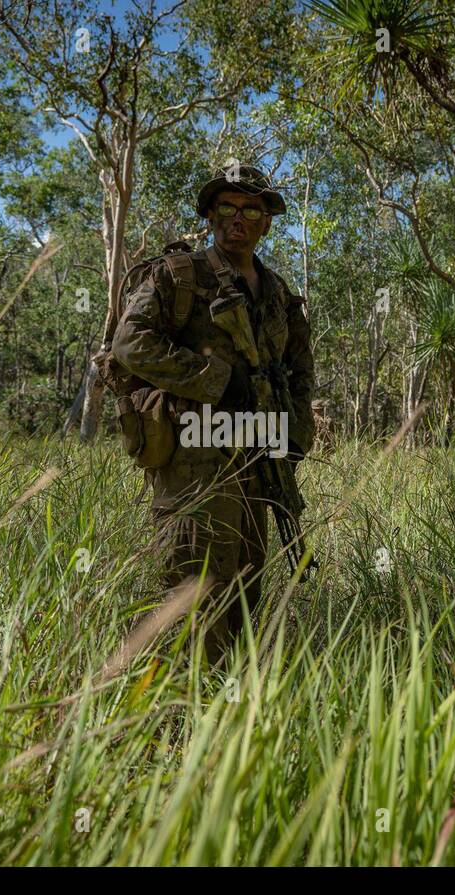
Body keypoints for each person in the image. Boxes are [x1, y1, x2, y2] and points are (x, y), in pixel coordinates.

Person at [111, 165, 315, 662]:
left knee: (246, 588)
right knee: (191, 593)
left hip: (257, 461)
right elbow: (129, 343)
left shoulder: (279, 294)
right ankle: (175, 721)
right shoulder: (178, 277)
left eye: (251, 210)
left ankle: (229, 713)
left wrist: (295, 432)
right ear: (209, 216)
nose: (237, 219)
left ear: (266, 222)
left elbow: (298, 369)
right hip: (194, 464)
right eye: (226, 207)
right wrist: (218, 381)